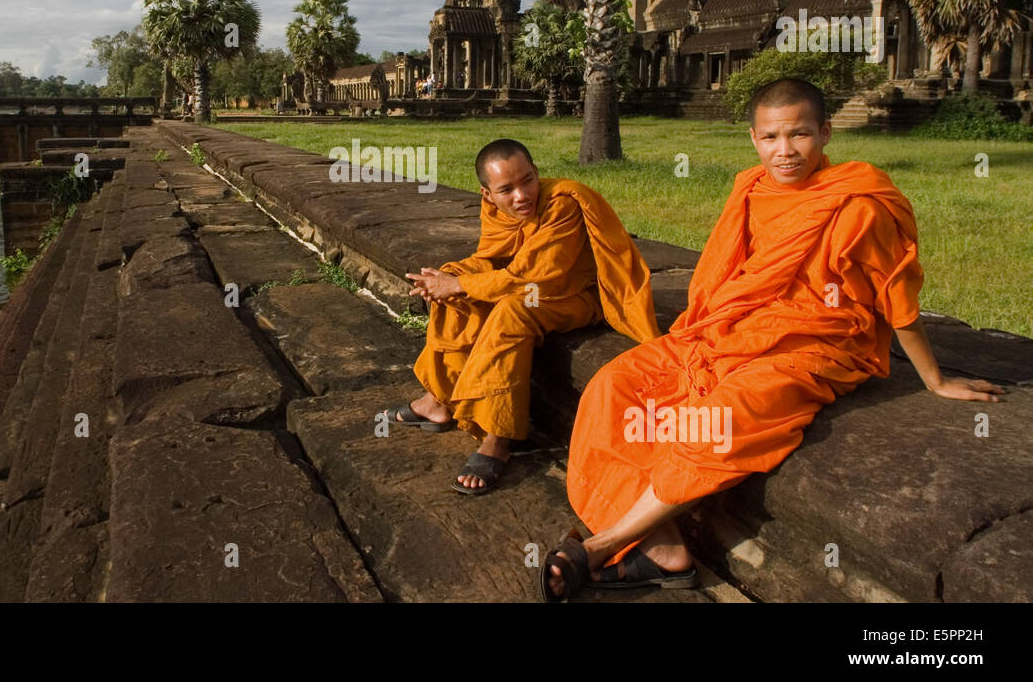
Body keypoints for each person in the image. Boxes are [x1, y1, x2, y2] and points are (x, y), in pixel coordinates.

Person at [541, 78, 1005, 600]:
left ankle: (605, 544)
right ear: (754, 139)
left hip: (819, 343)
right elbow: (724, 275)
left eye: (800, 135)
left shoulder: (858, 203)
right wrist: (714, 330)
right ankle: (665, 546)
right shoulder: (751, 189)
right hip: (733, 326)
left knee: (715, 422)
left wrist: (936, 380)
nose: (784, 151)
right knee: (614, 384)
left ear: (826, 133)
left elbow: (897, 301)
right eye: (771, 138)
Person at [387, 139, 661, 494]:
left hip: (578, 295)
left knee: (512, 309)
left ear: (536, 174)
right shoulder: (498, 213)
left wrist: (460, 284)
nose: (522, 195)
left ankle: (498, 437)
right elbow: (495, 260)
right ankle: (439, 400)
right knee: (455, 282)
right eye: (507, 189)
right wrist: (445, 279)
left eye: (528, 180)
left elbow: (536, 279)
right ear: (488, 195)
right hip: (534, 286)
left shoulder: (563, 203)